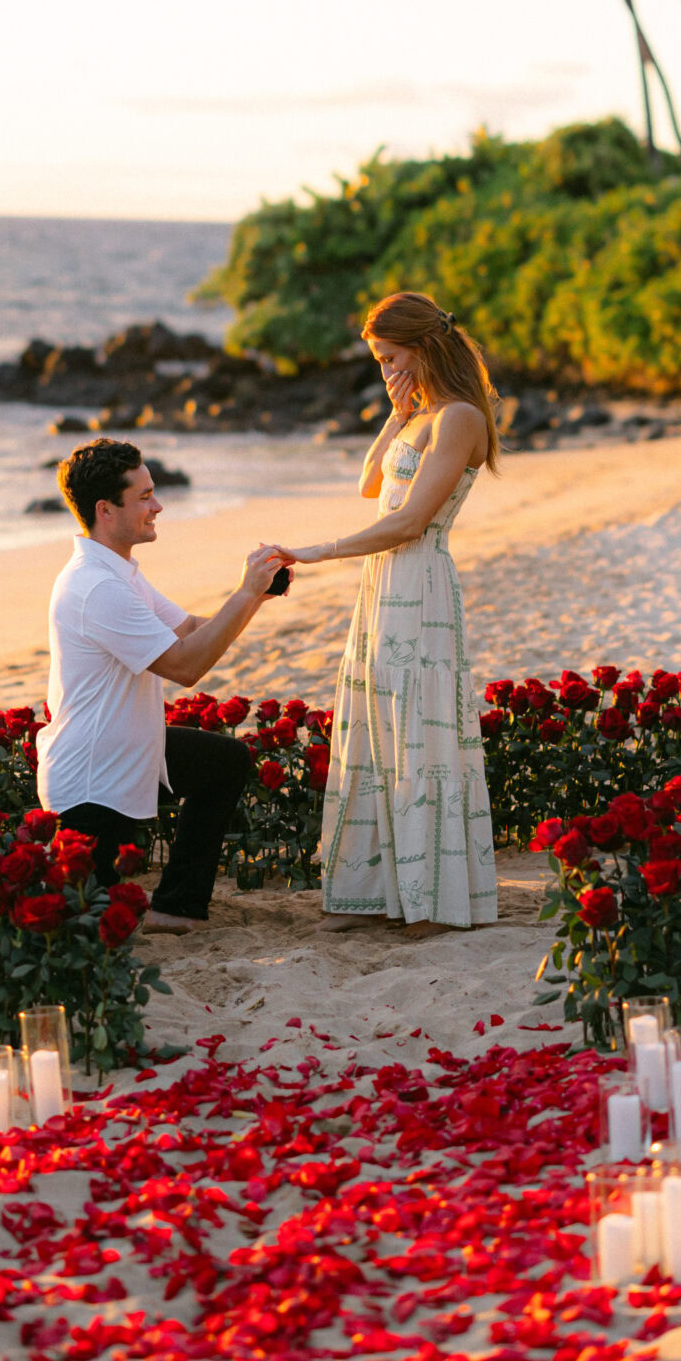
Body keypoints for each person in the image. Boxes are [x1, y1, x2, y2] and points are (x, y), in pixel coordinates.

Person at [280, 290, 500, 929]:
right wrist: (393, 413)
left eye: (391, 357)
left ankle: (431, 895)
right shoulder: (421, 414)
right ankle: (378, 891)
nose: (385, 371)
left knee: (419, 730)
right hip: (384, 583)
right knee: (377, 723)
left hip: (420, 577)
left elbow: (408, 521)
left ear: (424, 348)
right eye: (378, 360)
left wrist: (321, 551)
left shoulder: (460, 417)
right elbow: (370, 485)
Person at [38, 436, 288, 933]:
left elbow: (189, 629)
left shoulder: (120, 572)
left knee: (224, 762)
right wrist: (245, 592)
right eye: (145, 496)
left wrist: (257, 592)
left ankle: (178, 905)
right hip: (92, 788)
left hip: (131, 748)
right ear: (106, 510)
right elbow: (184, 666)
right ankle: (152, 908)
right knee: (96, 923)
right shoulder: (97, 585)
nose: (158, 505)